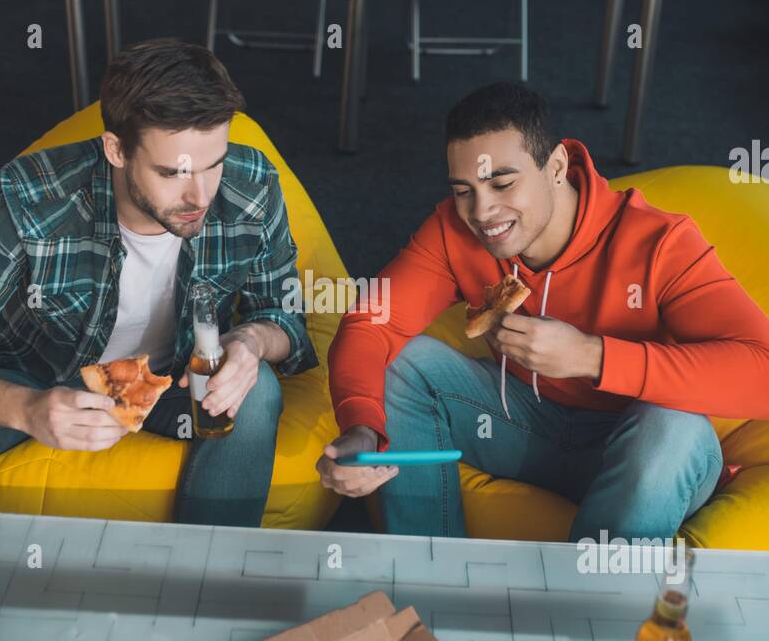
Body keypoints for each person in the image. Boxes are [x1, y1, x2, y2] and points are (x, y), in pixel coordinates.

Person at [0, 39, 317, 550]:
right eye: (173, 173)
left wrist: (252, 342)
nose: (200, 196)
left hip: (175, 378)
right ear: (116, 150)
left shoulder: (252, 184)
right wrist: (27, 408)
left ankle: (208, 580)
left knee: (258, 394)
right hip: (42, 378)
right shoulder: (30, 196)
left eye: (214, 164)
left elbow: (285, 317)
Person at [318, 82, 769, 542]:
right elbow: (371, 323)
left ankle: (588, 602)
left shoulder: (660, 243)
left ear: (555, 167)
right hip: (523, 427)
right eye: (464, 190)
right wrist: (361, 428)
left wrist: (592, 357)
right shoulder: (454, 230)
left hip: (640, 449)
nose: (483, 211)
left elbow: (763, 372)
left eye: (502, 183)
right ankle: (423, 580)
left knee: (676, 425)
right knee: (405, 366)